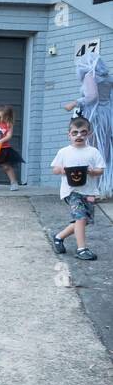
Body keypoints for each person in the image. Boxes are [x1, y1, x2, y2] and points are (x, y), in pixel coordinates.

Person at [49, 117, 104, 261]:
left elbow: (100, 170)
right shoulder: (64, 152)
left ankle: (59, 237)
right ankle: (81, 249)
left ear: (89, 134)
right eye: (75, 133)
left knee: (83, 221)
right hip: (71, 191)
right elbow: (54, 169)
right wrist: (62, 170)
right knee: (80, 217)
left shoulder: (93, 152)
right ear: (69, 135)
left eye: (83, 132)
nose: (79, 135)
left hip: (88, 191)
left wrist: (93, 172)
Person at [63, 49, 113, 197]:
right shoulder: (109, 78)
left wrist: (74, 103)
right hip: (107, 116)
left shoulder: (90, 76)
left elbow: (91, 96)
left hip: (94, 116)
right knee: (105, 152)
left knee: (92, 151)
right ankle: (105, 187)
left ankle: (93, 190)